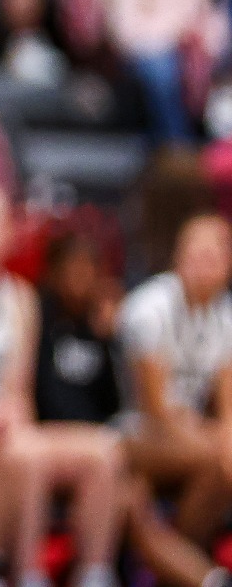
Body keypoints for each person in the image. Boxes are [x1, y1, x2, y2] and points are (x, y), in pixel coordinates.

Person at [0, 184, 125, 587]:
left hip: (5, 425)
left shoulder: (20, 299)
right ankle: (16, 570)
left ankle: (94, 572)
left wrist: (16, 422)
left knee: (103, 452)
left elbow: (19, 385)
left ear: (8, 233)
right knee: (28, 456)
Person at [116, 214, 232, 578]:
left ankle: (184, 567)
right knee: (219, 459)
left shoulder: (225, 316)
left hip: (191, 438)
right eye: (197, 255)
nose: (205, 266)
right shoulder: (148, 307)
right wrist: (217, 441)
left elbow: (228, 409)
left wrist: (222, 439)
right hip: (133, 434)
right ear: (178, 258)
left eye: (214, 257)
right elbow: (156, 409)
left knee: (222, 461)